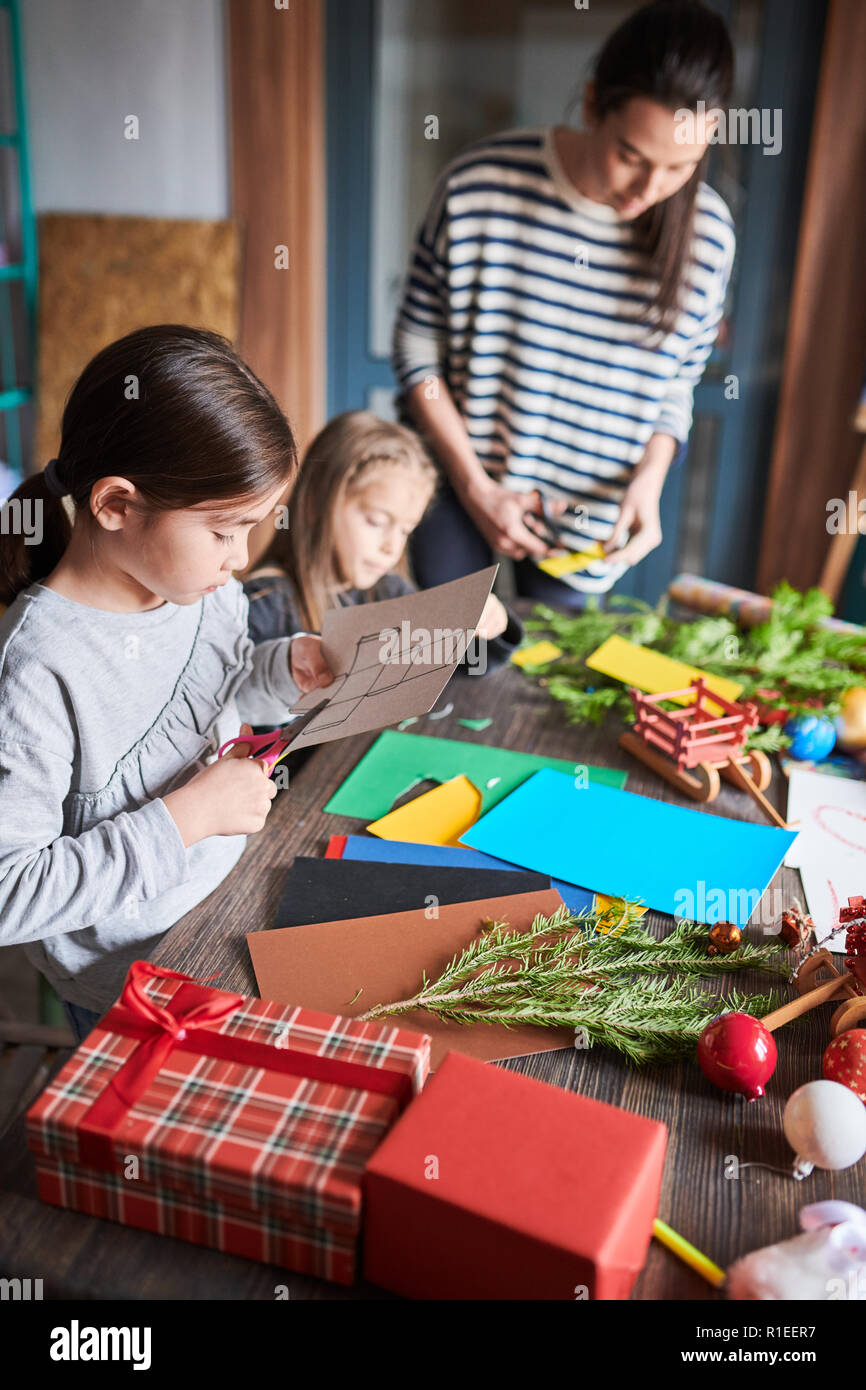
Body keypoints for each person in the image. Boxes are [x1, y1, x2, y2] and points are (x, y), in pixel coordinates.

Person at [0, 325, 333, 1043]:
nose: (239, 559)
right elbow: (10, 892)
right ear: (116, 505)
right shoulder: (36, 668)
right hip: (132, 976)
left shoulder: (201, 590)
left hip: (229, 900)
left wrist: (281, 670)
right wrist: (188, 819)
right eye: (223, 530)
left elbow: (220, 694)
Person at [392, 0, 735, 608]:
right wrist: (474, 486)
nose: (649, 189)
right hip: (457, 483)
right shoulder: (479, 187)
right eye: (631, 155)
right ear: (593, 101)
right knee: (444, 664)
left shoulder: (708, 237)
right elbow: (417, 346)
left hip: (587, 522)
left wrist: (650, 482)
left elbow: (677, 385)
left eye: (681, 166)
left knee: (546, 691)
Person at [243, 409, 522, 668]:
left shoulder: (390, 591)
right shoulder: (261, 606)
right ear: (316, 504)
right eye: (376, 522)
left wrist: (485, 626)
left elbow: (459, 666)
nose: (392, 547)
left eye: (405, 531)